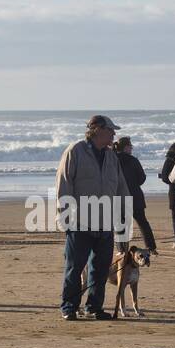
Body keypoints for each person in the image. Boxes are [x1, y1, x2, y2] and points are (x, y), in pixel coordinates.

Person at [55, 114, 131, 320]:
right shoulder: (75, 151)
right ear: (97, 129)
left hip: (106, 223)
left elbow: (121, 189)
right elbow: (64, 185)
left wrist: (123, 223)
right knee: (75, 267)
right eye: (110, 130)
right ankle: (69, 307)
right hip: (79, 222)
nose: (114, 134)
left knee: (100, 269)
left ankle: (94, 307)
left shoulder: (111, 156)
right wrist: (63, 217)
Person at [114, 136, 156, 253]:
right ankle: (151, 247)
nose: (131, 149)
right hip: (135, 195)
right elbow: (142, 178)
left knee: (120, 224)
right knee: (142, 222)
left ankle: (121, 249)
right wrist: (134, 183)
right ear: (126, 147)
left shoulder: (112, 159)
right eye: (130, 147)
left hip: (119, 196)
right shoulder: (133, 160)